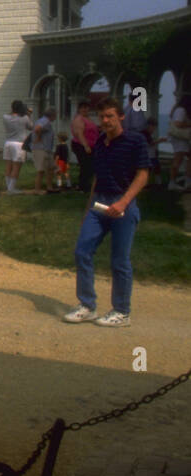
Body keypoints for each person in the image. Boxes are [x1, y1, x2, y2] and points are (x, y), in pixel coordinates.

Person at [64, 97, 150, 327]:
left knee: (119, 261)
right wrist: (87, 210)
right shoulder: (101, 143)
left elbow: (143, 175)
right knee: (82, 251)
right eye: (102, 117)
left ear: (121, 116)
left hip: (124, 206)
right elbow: (97, 179)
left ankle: (121, 312)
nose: (105, 121)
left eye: (110, 116)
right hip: (99, 205)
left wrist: (123, 203)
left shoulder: (135, 141)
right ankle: (87, 305)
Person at [2, 100, 33, 194]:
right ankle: (11, 189)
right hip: (19, 144)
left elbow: (11, 115)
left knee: (8, 167)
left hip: (8, 143)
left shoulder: (5, 117)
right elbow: (31, 127)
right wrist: (29, 115)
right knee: (16, 167)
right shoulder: (24, 118)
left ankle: (9, 188)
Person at [70, 102, 99, 195]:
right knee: (85, 166)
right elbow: (80, 134)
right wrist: (86, 146)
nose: (85, 110)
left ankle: (86, 185)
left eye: (87, 108)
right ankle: (82, 187)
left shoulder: (88, 118)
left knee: (91, 166)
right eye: (83, 108)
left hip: (92, 145)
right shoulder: (79, 119)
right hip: (81, 145)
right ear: (79, 109)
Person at [167, 93, 191, 190]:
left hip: (180, 139)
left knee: (186, 157)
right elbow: (178, 124)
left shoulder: (178, 109)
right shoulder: (181, 110)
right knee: (178, 160)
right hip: (179, 139)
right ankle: (172, 183)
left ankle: (187, 179)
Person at [29, 107, 56, 194]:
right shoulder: (45, 121)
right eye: (55, 115)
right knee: (41, 170)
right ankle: (37, 189)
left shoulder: (44, 121)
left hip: (46, 149)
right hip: (41, 148)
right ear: (52, 115)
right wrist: (39, 137)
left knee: (50, 168)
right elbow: (37, 129)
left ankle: (49, 187)